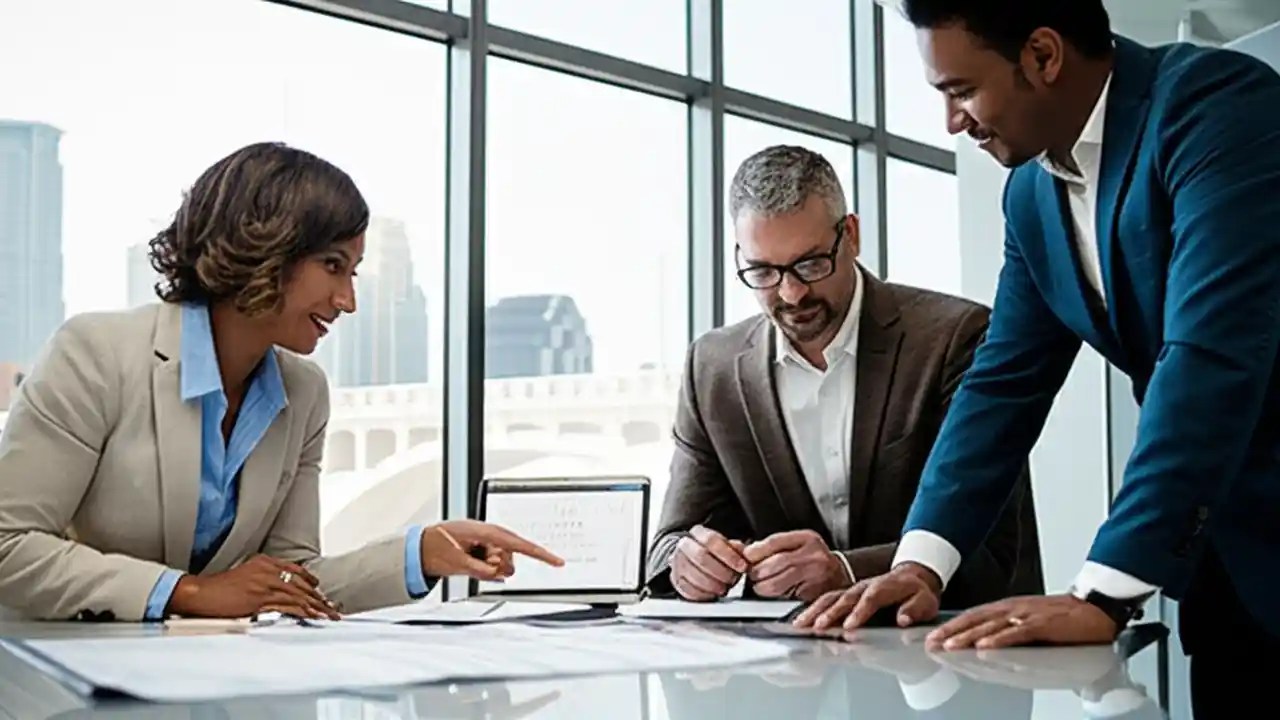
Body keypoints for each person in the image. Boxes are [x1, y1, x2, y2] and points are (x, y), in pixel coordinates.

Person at [794, 0, 1280, 713]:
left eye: (960, 91)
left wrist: (1103, 590)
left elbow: (1208, 358)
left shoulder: (1218, 110)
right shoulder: (1029, 193)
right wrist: (920, 564)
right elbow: (1003, 383)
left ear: (1044, 56)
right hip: (1231, 577)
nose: (953, 123)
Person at [0, 142, 562, 622]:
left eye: (354, 273)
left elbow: (293, 582)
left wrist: (423, 552)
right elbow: (8, 546)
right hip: (66, 682)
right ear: (266, 249)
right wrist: (190, 592)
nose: (348, 301)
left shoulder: (305, 393)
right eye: (334, 266)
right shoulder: (95, 354)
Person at [645, 145, 1041, 606]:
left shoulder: (955, 339)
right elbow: (667, 546)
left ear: (851, 235)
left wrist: (846, 571)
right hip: (783, 670)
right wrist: (690, 562)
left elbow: (991, 552)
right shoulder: (711, 368)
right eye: (763, 271)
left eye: (812, 264)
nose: (792, 294)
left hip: (956, 655)